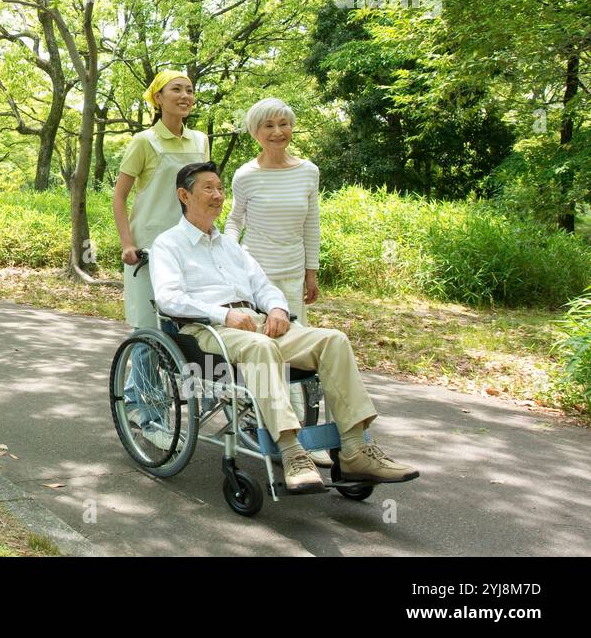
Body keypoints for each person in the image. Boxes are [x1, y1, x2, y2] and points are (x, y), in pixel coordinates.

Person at [148, 161, 419, 492]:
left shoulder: (231, 246)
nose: (218, 195)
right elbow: (168, 299)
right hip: (207, 331)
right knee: (261, 347)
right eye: (208, 188)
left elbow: (263, 286)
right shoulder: (168, 244)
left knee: (333, 340)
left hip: (257, 322)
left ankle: (355, 450)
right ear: (184, 195)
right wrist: (224, 315)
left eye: (220, 188)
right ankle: (292, 452)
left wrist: (277, 308)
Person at [225, 98, 324, 463]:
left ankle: (300, 434)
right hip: (255, 273)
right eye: (268, 126)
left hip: (294, 271)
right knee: (267, 349)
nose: (278, 132)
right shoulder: (245, 175)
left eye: (284, 124)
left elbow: (311, 225)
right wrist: (228, 252)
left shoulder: (308, 171)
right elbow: (234, 221)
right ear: (255, 133)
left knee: (295, 351)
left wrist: (311, 273)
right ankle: (276, 431)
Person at [113, 71, 208, 440]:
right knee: (150, 332)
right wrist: (126, 243)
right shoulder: (144, 141)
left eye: (189, 90)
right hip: (148, 252)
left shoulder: (200, 140)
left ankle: (138, 399)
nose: (184, 95)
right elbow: (119, 196)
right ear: (158, 98)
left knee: (186, 331)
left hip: (188, 249)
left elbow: (202, 192)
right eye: (176, 90)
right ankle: (151, 419)